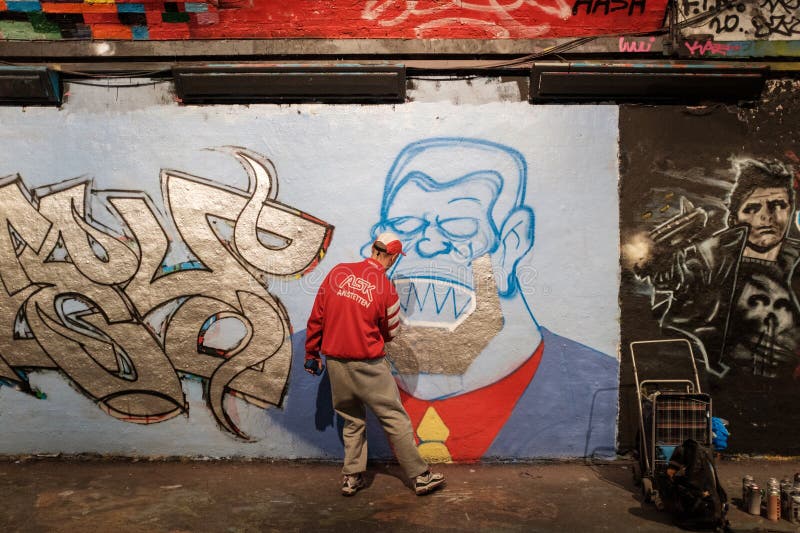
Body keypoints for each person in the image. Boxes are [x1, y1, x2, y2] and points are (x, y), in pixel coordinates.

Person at [304, 231, 446, 496]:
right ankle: (420, 476)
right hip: (369, 365)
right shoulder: (386, 290)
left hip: (335, 363)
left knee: (352, 420)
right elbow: (390, 332)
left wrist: (311, 354)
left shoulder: (338, 273)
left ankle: (351, 478)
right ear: (392, 257)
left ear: (372, 248)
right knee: (395, 419)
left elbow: (317, 317)